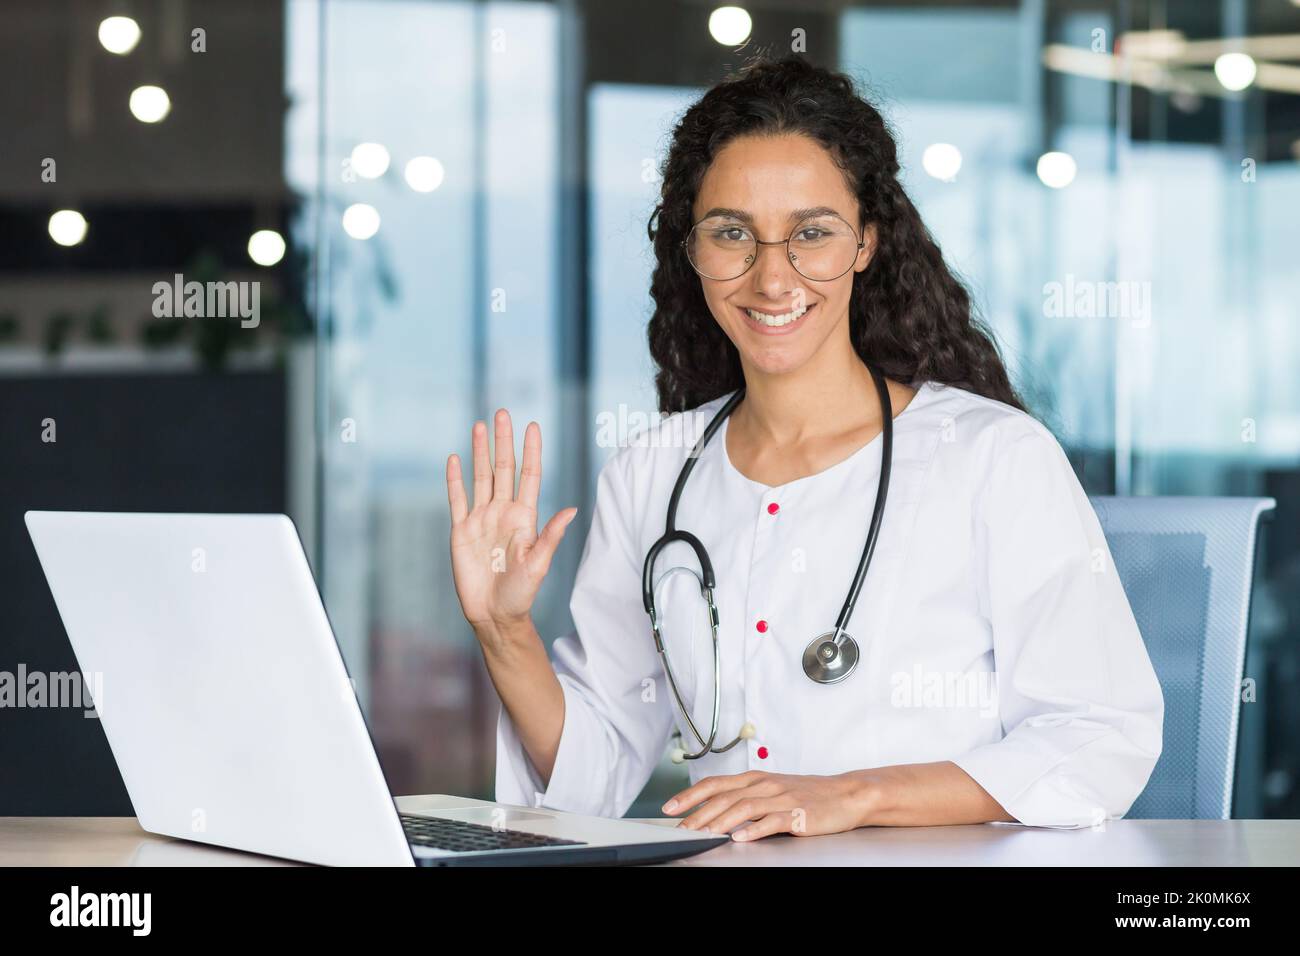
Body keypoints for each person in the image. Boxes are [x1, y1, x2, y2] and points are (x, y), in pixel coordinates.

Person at [445, 55, 1163, 841]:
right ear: (692, 250)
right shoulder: (651, 474)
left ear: (866, 243)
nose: (771, 278)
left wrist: (853, 796)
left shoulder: (995, 458)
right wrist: (503, 633)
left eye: (811, 234)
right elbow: (593, 777)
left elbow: (1100, 737)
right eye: (732, 234)